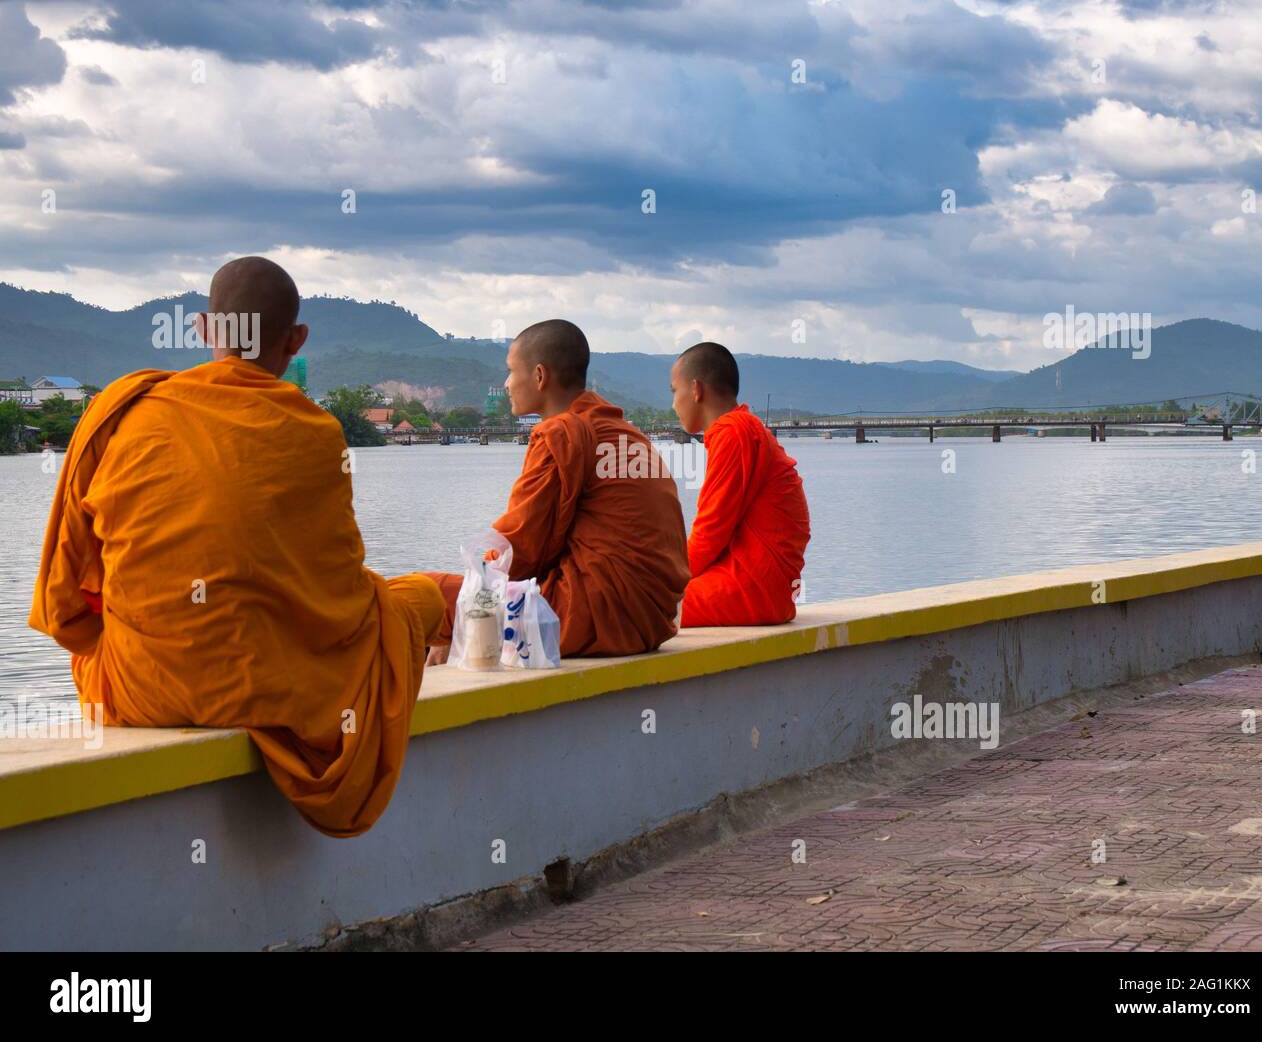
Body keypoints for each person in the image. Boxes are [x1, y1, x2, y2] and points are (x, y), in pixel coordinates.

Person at [29, 257, 444, 838]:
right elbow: (342, 595)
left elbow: (62, 608)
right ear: (296, 340)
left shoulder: (124, 414)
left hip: (142, 693)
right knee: (419, 599)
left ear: (202, 328)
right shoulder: (317, 432)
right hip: (280, 690)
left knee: (101, 630)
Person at [427, 319, 690, 657]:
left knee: (420, 594)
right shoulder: (627, 434)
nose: (507, 384)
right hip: (650, 621)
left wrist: (466, 613)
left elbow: (518, 550)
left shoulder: (560, 433)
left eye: (510, 371)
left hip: (588, 617)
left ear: (539, 376)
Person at [670, 341, 810, 626]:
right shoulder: (744, 428)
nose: (673, 404)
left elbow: (710, 533)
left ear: (696, 390)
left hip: (751, 590)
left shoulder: (734, 433)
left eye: (675, 392)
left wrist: (663, 580)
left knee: (635, 606)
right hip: (764, 588)